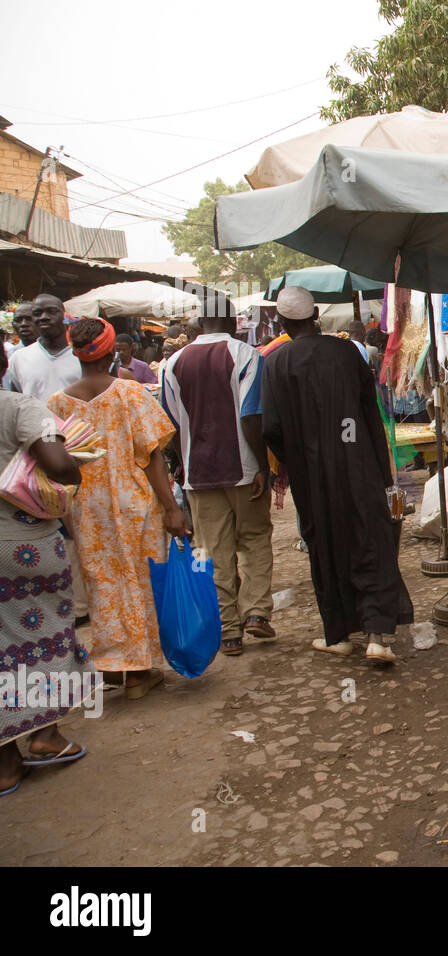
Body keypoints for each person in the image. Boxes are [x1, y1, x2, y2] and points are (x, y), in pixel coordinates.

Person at [261, 287, 411, 663]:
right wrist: (383, 469)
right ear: (315, 317)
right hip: (358, 464)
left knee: (325, 545)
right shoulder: (347, 353)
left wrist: (294, 461)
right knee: (369, 539)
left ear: (282, 322)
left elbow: (271, 428)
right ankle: (378, 635)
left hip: (312, 475)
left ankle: (338, 633)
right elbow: (371, 416)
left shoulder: (276, 364)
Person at [47, 319, 186, 700]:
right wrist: (172, 508)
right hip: (133, 502)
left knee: (101, 584)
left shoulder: (58, 404)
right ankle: (138, 672)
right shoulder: (129, 393)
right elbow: (153, 455)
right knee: (139, 581)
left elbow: (67, 467)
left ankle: (113, 664)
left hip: (87, 509)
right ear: (112, 352)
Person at [0, 346, 92, 796]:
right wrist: (73, 465)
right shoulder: (19, 407)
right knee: (45, 632)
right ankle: (44, 735)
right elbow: (59, 466)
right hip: (23, 544)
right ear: (4, 366)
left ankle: (4, 764)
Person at [161, 300, 274, 658]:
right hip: (242, 465)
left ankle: (229, 632)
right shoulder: (245, 354)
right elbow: (251, 414)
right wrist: (261, 466)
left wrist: (181, 467)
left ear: (199, 321)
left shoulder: (173, 363)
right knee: (255, 538)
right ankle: (256, 610)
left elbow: (171, 424)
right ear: (231, 320)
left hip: (199, 472)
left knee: (212, 551)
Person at [9, 294, 80, 402]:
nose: (44, 317)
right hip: (33, 419)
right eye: (37, 313)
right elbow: (16, 400)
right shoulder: (18, 358)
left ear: (64, 316)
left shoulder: (82, 355)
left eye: (51, 311)